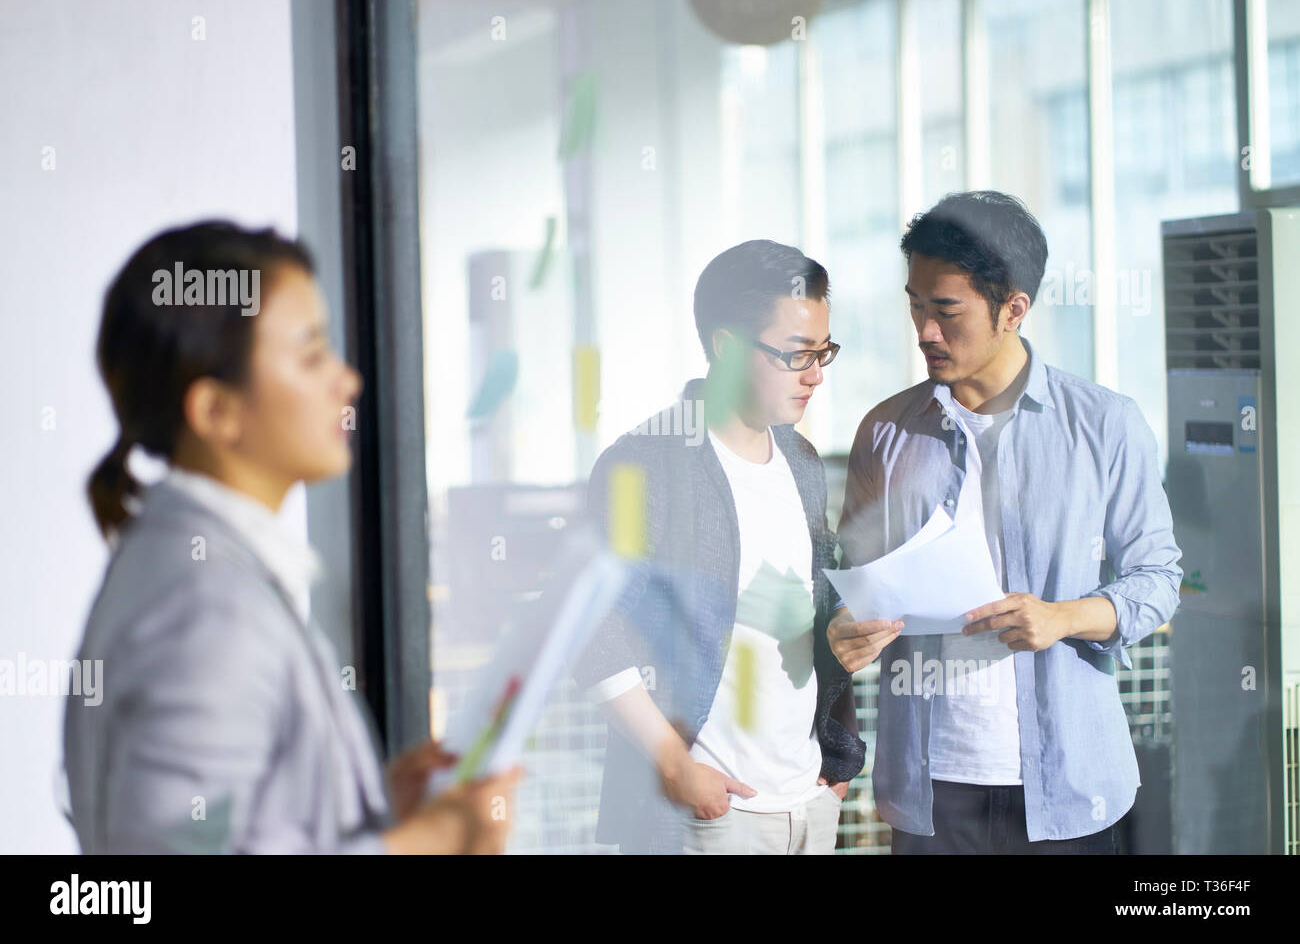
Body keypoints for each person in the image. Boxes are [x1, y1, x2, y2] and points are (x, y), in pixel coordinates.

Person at [64, 221, 518, 854]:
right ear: (215, 411)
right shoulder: (205, 606)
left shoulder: (201, 567)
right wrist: (429, 844)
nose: (347, 381)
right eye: (311, 357)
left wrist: (377, 811)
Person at [831, 190, 1182, 854]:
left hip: (1069, 786)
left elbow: (1159, 578)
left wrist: (1063, 617)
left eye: (946, 310)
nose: (924, 332)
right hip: (928, 788)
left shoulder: (1105, 424)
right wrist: (844, 632)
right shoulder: (885, 431)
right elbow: (852, 581)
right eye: (914, 304)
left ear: (1013, 308)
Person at [574, 239, 878, 855]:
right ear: (727, 347)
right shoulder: (646, 464)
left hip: (809, 803)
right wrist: (674, 767)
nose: (817, 373)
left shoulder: (801, 461)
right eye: (797, 355)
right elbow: (586, 627)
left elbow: (801, 617)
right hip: (710, 814)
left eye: (824, 353)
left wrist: (843, 638)